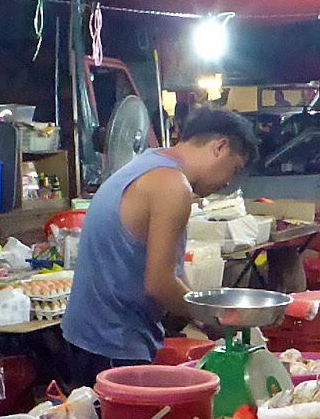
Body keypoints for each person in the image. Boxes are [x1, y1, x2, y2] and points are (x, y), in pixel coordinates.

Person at [60, 108, 259, 387]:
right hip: (114, 343)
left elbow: (170, 272)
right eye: (234, 169)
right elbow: (159, 284)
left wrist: (201, 314)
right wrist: (217, 319)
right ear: (220, 147)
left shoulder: (149, 163)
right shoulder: (173, 187)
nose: (227, 183)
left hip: (87, 335)